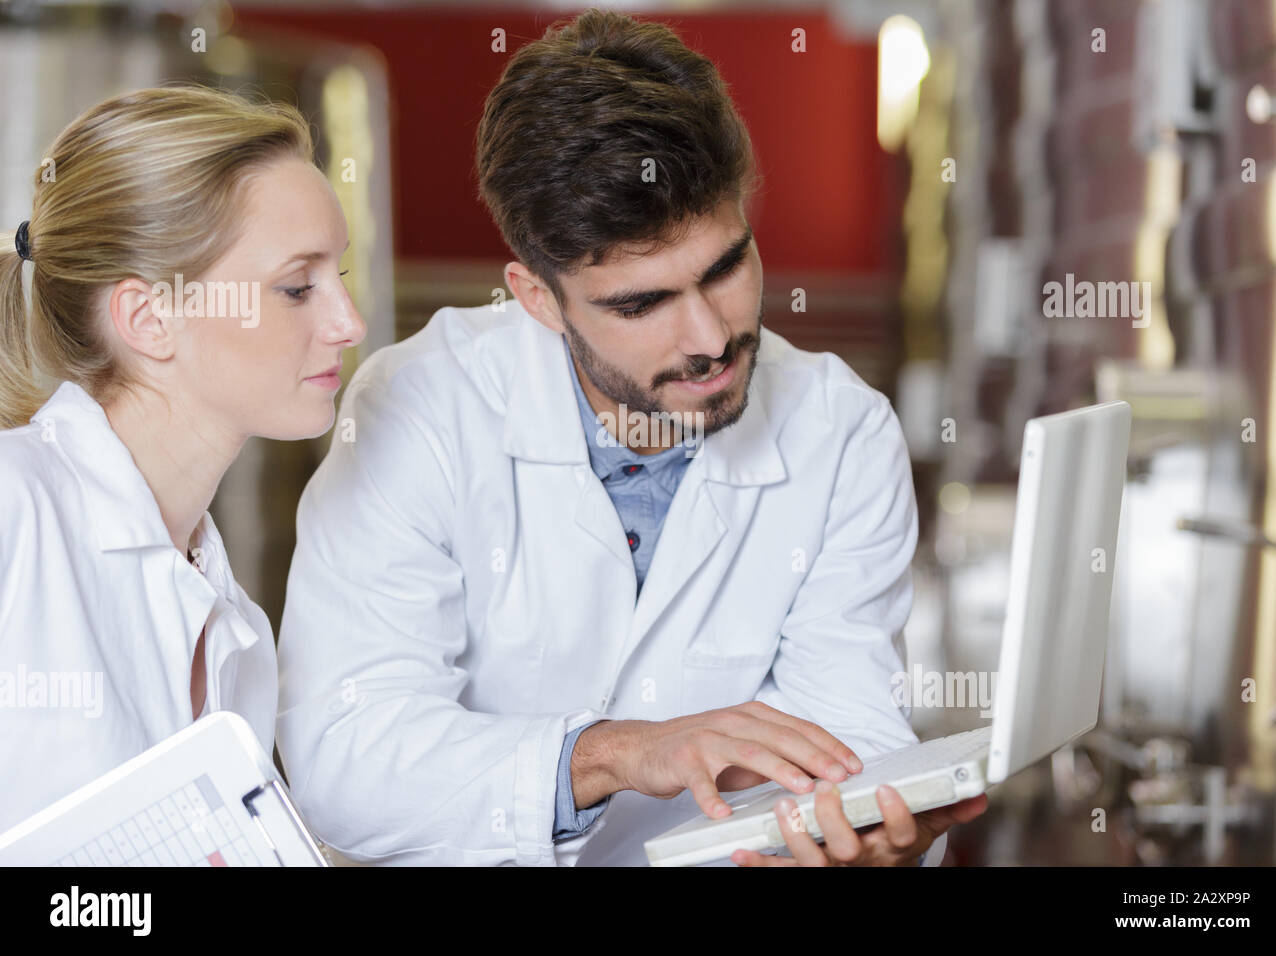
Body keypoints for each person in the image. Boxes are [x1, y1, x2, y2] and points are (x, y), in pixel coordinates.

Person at [276, 9, 985, 866]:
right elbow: (345, 757)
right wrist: (615, 754)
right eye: (643, 304)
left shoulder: (842, 432)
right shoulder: (420, 408)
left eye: (726, 267)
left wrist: (867, 840)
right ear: (537, 300)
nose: (710, 338)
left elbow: (853, 738)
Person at [0, 85, 366, 835]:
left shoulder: (236, 625)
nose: (349, 323)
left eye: (341, 277)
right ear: (148, 318)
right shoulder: (14, 510)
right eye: (297, 287)